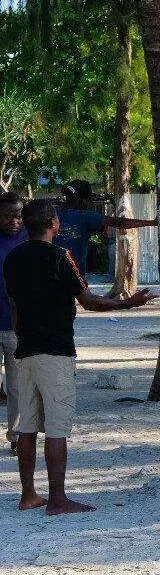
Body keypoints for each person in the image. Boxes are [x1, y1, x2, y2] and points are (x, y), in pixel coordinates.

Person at [4, 199, 153, 514]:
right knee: (57, 427)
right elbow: (89, 301)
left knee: (28, 425)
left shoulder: (13, 259)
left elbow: (16, 306)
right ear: (52, 224)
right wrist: (130, 304)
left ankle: (28, 494)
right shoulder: (61, 257)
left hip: (25, 349)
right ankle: (57, 499)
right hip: (55, 350)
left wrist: (21, 339)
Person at [55, 181, 158, 275]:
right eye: (89, 199)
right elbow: (119, 223)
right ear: (81, 199)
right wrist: (152, 222)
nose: (90, 203)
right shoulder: (86, 217)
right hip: (73, 276)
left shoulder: (52, 213)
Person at [1, 192, 29, 453]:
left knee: (17, 386)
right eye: (8, 216)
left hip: (15, 325)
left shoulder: (30, 239)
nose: (14, 221)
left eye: (18, 215)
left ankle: (17, 437)